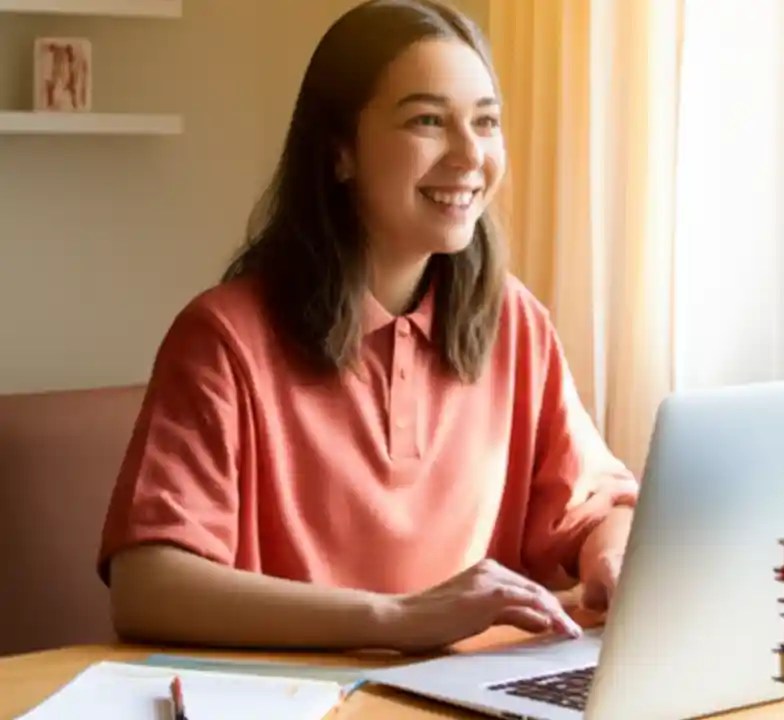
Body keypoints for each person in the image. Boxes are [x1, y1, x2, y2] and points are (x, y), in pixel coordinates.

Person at [96, 0, 638, 654]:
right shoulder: (223, 338)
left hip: (469, 695)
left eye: (486, 122)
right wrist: (398, 619)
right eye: (428, 120)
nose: (470, 155)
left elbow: (599, 508)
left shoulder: (514, 322)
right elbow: (149, 585)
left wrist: (612, 558)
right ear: (339, 152)